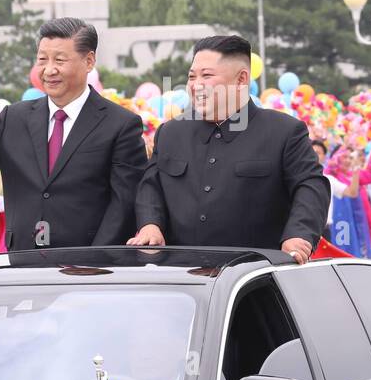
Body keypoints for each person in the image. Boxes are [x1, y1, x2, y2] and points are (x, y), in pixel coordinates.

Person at [0, 18, 146, 249]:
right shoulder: (14, 118)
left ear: (89, 61)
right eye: (42, 60)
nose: (49, 69)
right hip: (25, 266)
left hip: (87, 270)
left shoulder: (120, 125)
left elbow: (124, 204)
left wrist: (96, 260)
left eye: (60, 60)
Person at [129, 35, 329, 262]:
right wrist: (150, 225)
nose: (196, 85)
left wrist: (298, 235)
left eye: (207, 76)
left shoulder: (284, 132)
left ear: (242, 79)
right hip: (183, 276)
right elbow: (150, 186)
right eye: (192, 77)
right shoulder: (171, 133)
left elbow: (311, 186)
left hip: (255, 276)